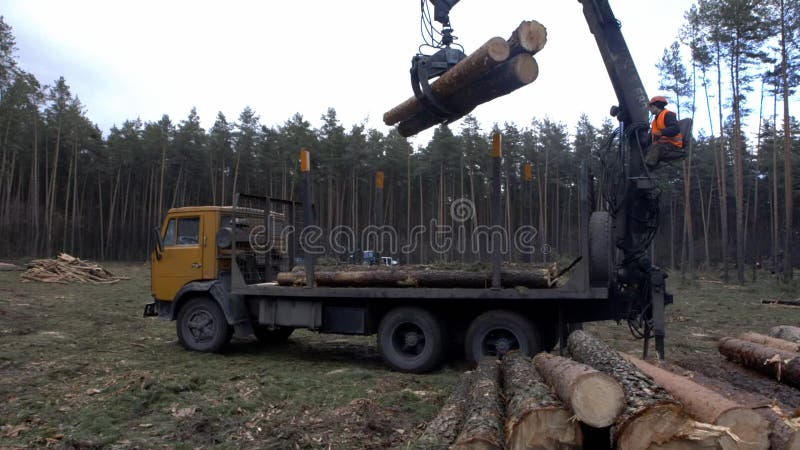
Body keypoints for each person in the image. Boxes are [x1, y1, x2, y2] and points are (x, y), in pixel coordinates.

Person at [645, 96, 684, 169]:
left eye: (650, 107)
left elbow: (675, 129)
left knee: (656, 148)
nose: (649, 109)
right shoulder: (655, 121)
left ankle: (647, 168)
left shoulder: (668, 114)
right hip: (661, 145)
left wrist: (661, 132)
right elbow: (652, 135)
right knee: (646, 149)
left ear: (655, 106)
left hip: (673, 145)